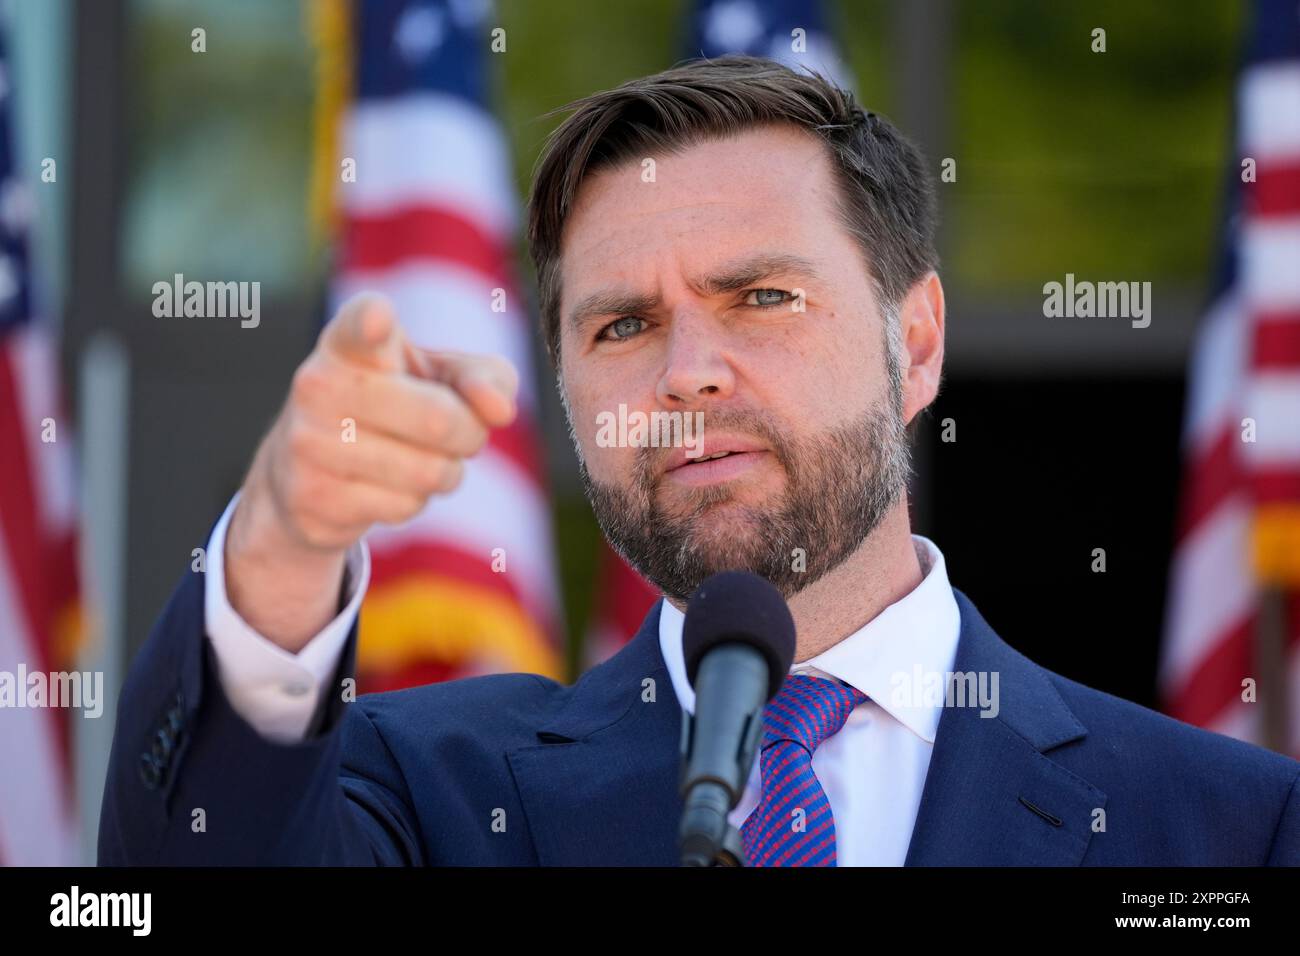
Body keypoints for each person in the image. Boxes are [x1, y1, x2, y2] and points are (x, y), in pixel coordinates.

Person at [99, 55, 1300, 866]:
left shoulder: (1222, 826)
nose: (686, 371)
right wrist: (279, 546)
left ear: (916, 340)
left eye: (762, 296)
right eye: (620, 324)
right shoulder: (426, 793)